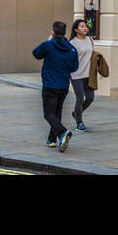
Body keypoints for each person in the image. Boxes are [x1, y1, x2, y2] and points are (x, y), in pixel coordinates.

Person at [32, 22, 78, 152]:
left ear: (53, 32)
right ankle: (52, 139)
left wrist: (48, 40)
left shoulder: (48, 45)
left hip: (50, 84)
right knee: (57, 112)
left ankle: (63, 132)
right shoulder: (71, 48)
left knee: (48, 113)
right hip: (63, 85)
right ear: (64, 33)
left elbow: (36, 53)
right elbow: (74, 67)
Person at [68, 19, 95, 132]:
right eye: (82, 26)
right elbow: (69, 60)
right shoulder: (72, 43)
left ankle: (76, 113)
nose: (85, 28)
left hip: (88, 74)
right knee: (80, 98)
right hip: (76, 74)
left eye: (85, 26)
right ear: (76, 30)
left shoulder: (90, 39)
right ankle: (79, 123)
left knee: (90, 98)